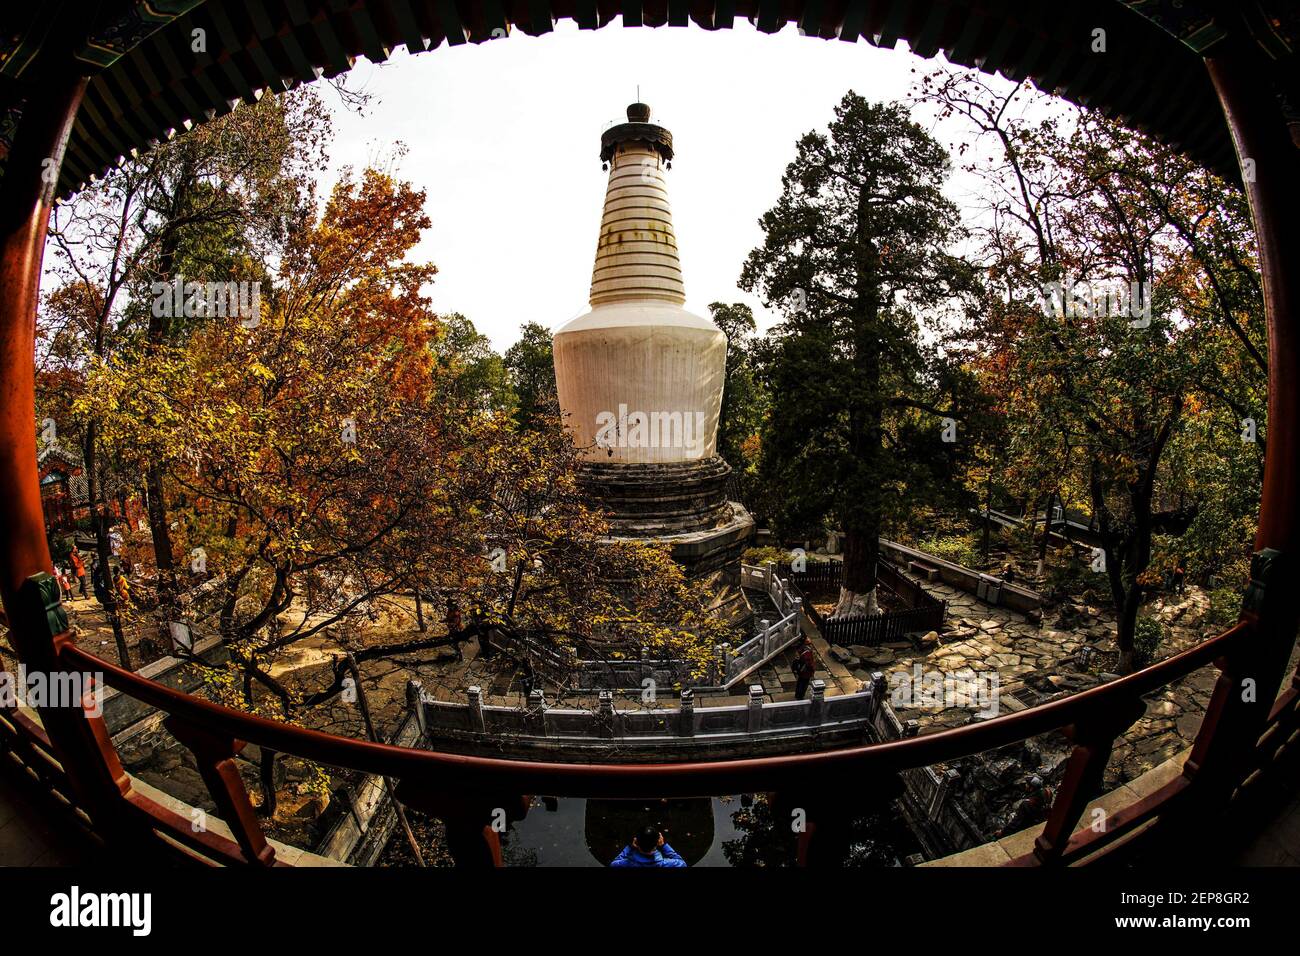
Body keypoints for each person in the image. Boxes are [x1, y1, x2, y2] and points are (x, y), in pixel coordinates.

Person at [609, 825, 687, 868]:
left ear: (636, 842)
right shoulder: (668, 864)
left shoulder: (625, 864)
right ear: (658, 842)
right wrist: (664, 846)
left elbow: (613, 864)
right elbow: (683, 863)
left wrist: (630, 847)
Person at [792, 636, 816, 700]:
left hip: (800, 670)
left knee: (800, 682)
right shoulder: (807, 652)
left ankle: (797, 694)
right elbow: (809, 663)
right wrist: (812, 669)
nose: (809, 639)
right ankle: (800, 696)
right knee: (804, 684)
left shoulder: (801, 648)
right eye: (807, 638)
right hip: (806, 671)